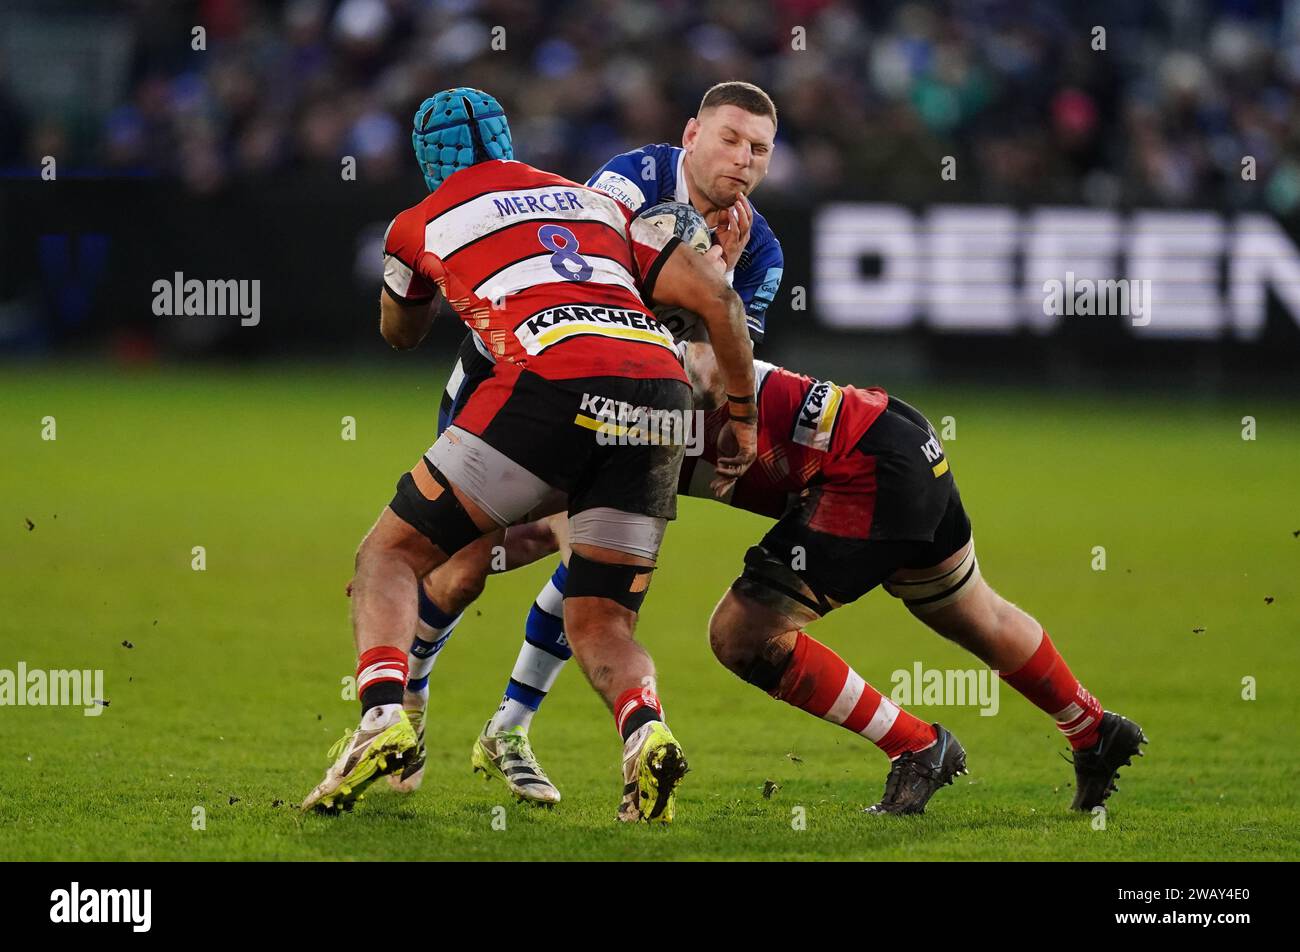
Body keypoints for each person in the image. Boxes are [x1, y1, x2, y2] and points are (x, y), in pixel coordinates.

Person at [300, 87, 758, 824]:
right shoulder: (591, 201)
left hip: (545, 383)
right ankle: (645, 729)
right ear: (508, 139)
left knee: (389, 556)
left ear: (426, 160)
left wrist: (410, 283)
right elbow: (718, 304)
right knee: (603, 621)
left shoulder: (418, 220)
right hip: (661, 397)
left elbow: (401, 333)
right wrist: (742, 419)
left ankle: (385, 714)